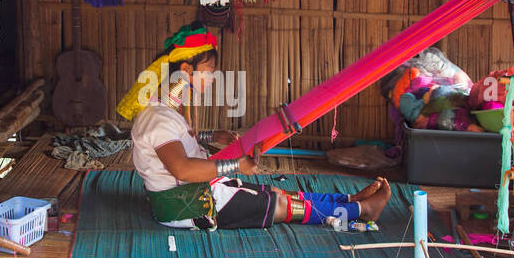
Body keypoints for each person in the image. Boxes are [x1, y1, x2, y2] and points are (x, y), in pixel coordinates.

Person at [117, 23, 391, 230]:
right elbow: (182, 168)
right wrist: (236, 165)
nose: (212, 79)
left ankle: (349, 199)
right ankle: (362, 211)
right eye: (209, 72)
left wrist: (214, 135)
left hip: (195, 191)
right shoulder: (158, 118)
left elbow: (176, 142)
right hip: (187, 206)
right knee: (280, 206)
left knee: (275, 192)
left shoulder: (165, 108)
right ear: (187, 70)